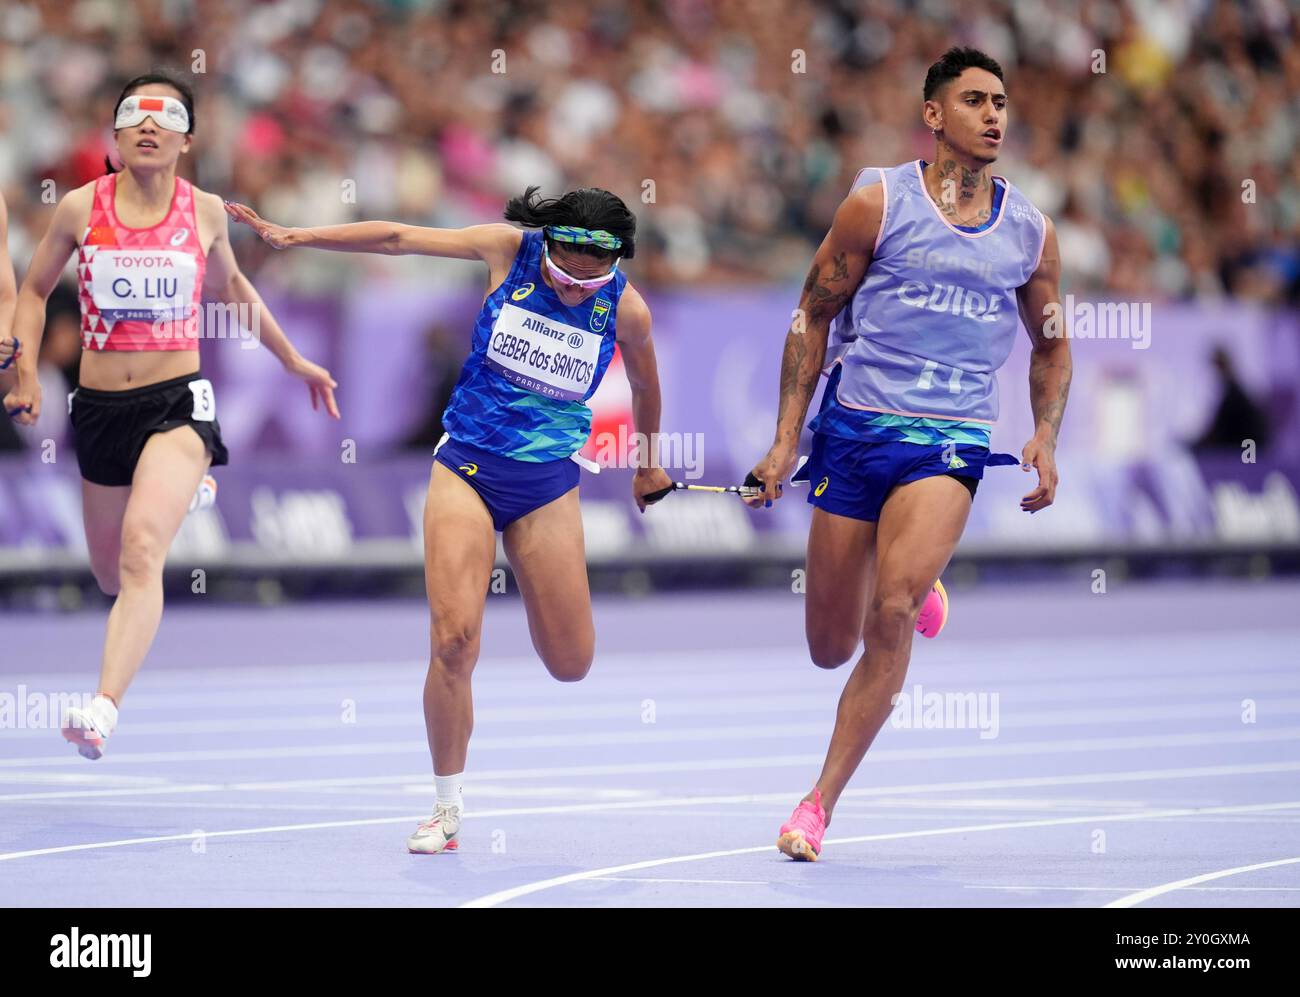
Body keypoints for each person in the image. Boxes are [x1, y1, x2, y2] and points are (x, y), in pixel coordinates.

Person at [227, 185, 672, 854]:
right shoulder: (509, 251)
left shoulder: (626, 308)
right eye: (565, 270)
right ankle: (445, 805)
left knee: (571, 662)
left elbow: (644, 383)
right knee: (454, 641)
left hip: (547, 484)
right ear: (548, 246)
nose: (577, 287)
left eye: (593, 275)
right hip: (464, 465)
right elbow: (400, 237)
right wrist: (295, 235)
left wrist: (648, 461)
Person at [745, 47, 1073, 861]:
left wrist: (1044, 432)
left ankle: (817, 803)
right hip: (855, 434)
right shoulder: (875, 205)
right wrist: (787, 440)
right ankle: (914, 581)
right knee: (830, 645)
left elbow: (1052, 346)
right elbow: (810, 317)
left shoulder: (1030, 232)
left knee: (888, 609)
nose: (994, 114)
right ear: (934, 115)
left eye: (1001, 101)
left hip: (950, 442)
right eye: (974, 100)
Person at [3, 73, 339, 760]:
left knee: (141, 552)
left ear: (187, 139)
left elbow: (235, 288)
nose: (148, 127)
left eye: (165, 118)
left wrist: (293, 360)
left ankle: (102, 706)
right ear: (117, 134)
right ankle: (177, 495)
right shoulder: (78, 208)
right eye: (134, 116)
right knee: (106, 573)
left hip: (177, 404)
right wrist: (28, 370)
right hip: (99, 409)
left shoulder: (206, 211)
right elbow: (33, 292)